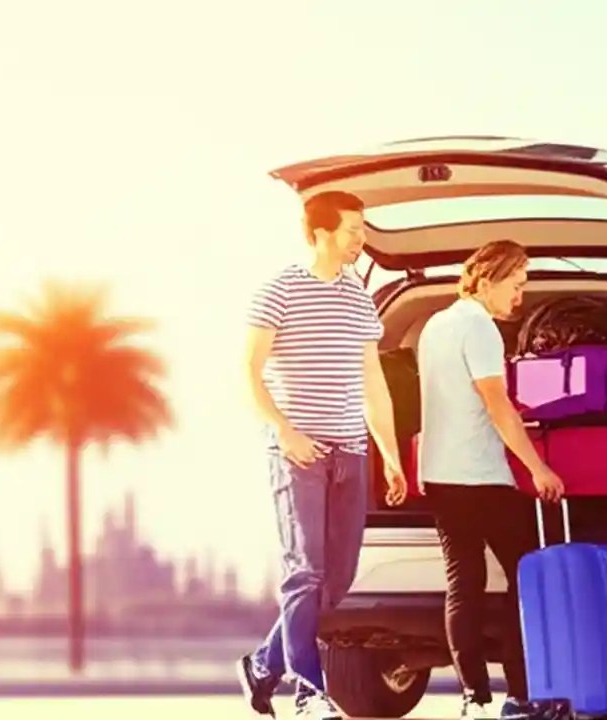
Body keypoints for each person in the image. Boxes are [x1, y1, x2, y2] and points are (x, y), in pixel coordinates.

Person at [236, 190, 408, 720]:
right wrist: (285, 432)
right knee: (305, 571)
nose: (362, 239)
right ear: (321, 232)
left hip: (350, 450)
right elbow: (249, 374)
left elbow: (373, 381)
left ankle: (265, 664)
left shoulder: (357, 296)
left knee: (338, 577)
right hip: (299, 454)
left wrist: (392, 455)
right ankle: (308, 691)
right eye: (353, 230)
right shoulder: (279, 290)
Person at [415, 239, 565, 720]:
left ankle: (475, 698)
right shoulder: (480, 328)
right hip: (480, 475)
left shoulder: (437, 324)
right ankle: (522, 695)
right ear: (490, 279)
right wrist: (538, 467)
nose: (519, 298)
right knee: (526, 577)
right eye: (516, 286)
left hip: (439, 474)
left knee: (465, 584)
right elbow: (496, 404)